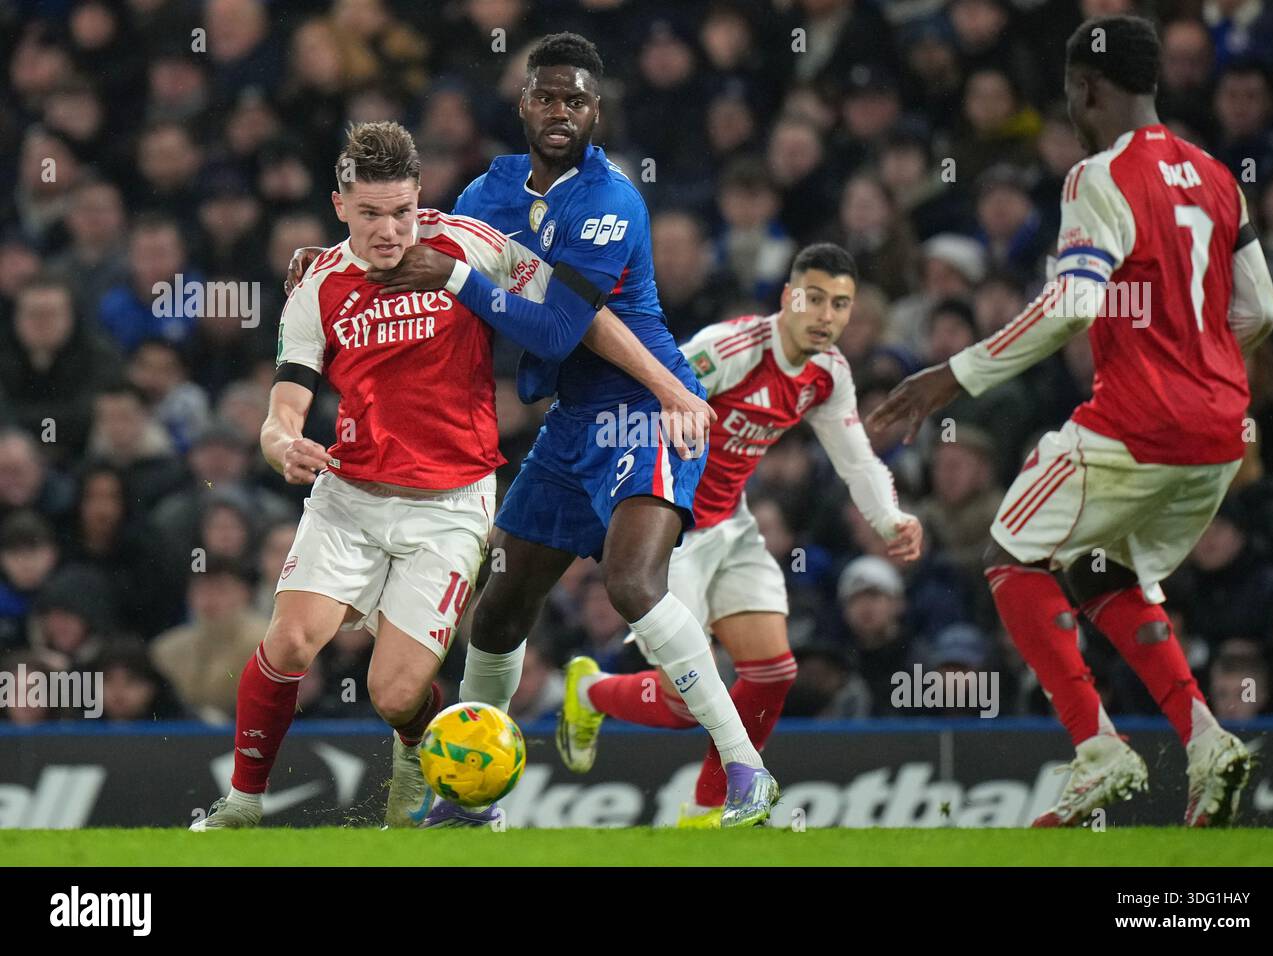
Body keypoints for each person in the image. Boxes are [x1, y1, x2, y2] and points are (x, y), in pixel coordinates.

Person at [299, 33, 779, 827]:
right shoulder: (489, 191)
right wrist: (327, 261)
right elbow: (407, 244)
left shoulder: (610, 200)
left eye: (576, 99)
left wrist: (458, 277)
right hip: (571, 421)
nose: (561, 111)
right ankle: (470, 800)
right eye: (547, 96)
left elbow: (557, 330)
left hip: (643, 409)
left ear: (597, 112)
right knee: (498, 608)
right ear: (523, 104)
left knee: (631, 584)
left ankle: (746, 771)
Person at [194, 120, 697, 831]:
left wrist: (668, 386)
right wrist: (283, 446)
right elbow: (285, 406)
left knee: (395, 695)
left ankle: (413, 747)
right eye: (370, 214)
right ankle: (243, 804)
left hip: (449, 505)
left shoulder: (468, 246)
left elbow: (576, 313)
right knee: (290, 641)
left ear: (419, 197)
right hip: (349, 496)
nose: (389, 230)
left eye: (401, 210)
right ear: (340, 206)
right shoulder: (317, 286)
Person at [868, 16, 1273, 828]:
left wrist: (954, 374)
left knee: (1009, 553)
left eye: (1068, 92)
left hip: (1138, 422)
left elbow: (1071, 305)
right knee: (1098, 571)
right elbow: (1259, 309)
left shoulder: (1098, 176)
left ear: (1087, 88)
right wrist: (1198, 360)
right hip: (1219, 432)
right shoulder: (1216, 175)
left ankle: (1098, 749)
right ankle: (1206, 742)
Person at [553, 244, 921, 827]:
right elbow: (646, 395)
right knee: (682, 705)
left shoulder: (827, 375)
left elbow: (855, 458)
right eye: (814, 299)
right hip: (671, 531)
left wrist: (889, 518)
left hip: (733, 525)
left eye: (840, 304)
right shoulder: (730, 349)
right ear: (788, 298)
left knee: (773, 672)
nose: (825, 315)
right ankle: (592, 693)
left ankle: (706, 810)